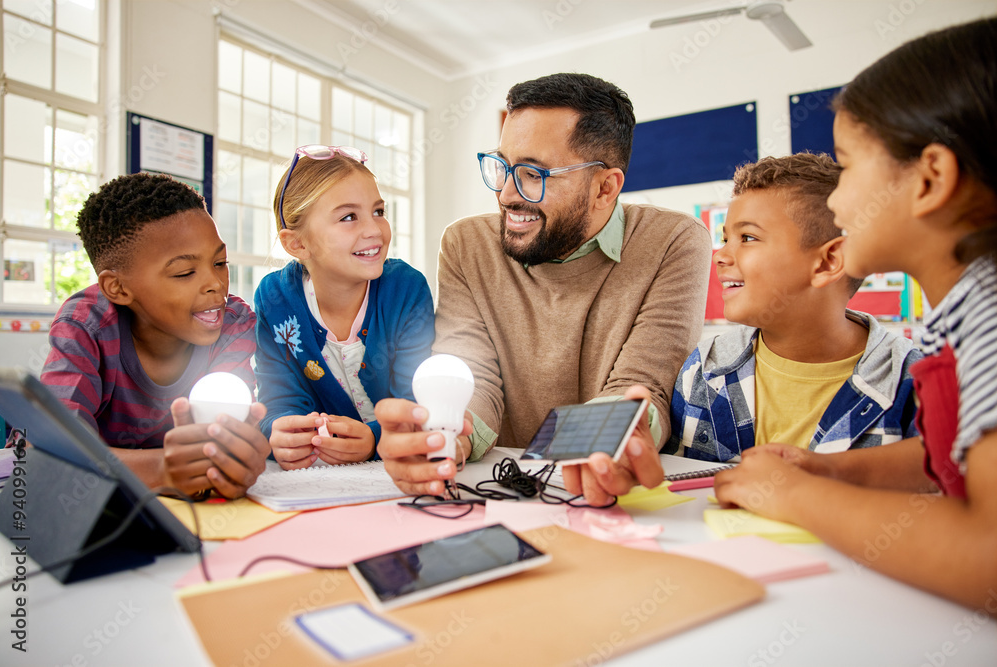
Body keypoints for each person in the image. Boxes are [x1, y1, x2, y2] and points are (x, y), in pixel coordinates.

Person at [714, 17, 997, 611]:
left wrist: (794, 495)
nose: (837, 200)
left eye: (848, 167)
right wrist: (828, 471)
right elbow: (947, 458)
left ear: (930, 180)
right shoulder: (963, 315)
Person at [375, 73, 712, 504]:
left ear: (605, 188)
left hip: (619, 497)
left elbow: (645, 383)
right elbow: (473, 374)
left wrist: (600, 445)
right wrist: (449, 436)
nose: (507, 194)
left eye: (534, 173)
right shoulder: (465, 244)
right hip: (496, 493)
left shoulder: (674, 241)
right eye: (503, 167)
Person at [668, 153, 921, 461]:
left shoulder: (915, 385)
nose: (721, 256)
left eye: (747, 237)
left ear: (828, 261)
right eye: (725, 238)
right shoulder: (702, 370)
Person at [41, 173, 269, 499]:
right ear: (117, 288)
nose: (216, 284)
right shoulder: (86, 326)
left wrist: (237, 459)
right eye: (184, 273)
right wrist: (161, 470)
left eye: (220, 262)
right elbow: (54, 448)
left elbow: (227, 447)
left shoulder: (233, 325)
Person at [254, 146, 434, 470]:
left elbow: (419, 403)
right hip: (317, 479)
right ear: (297, 243)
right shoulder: (274, 299)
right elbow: (277, 402)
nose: (375, 230)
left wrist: (375, 440)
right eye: (349, 217)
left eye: (379, 211)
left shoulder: (406, 290)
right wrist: (279, 435)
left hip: (401, 472)